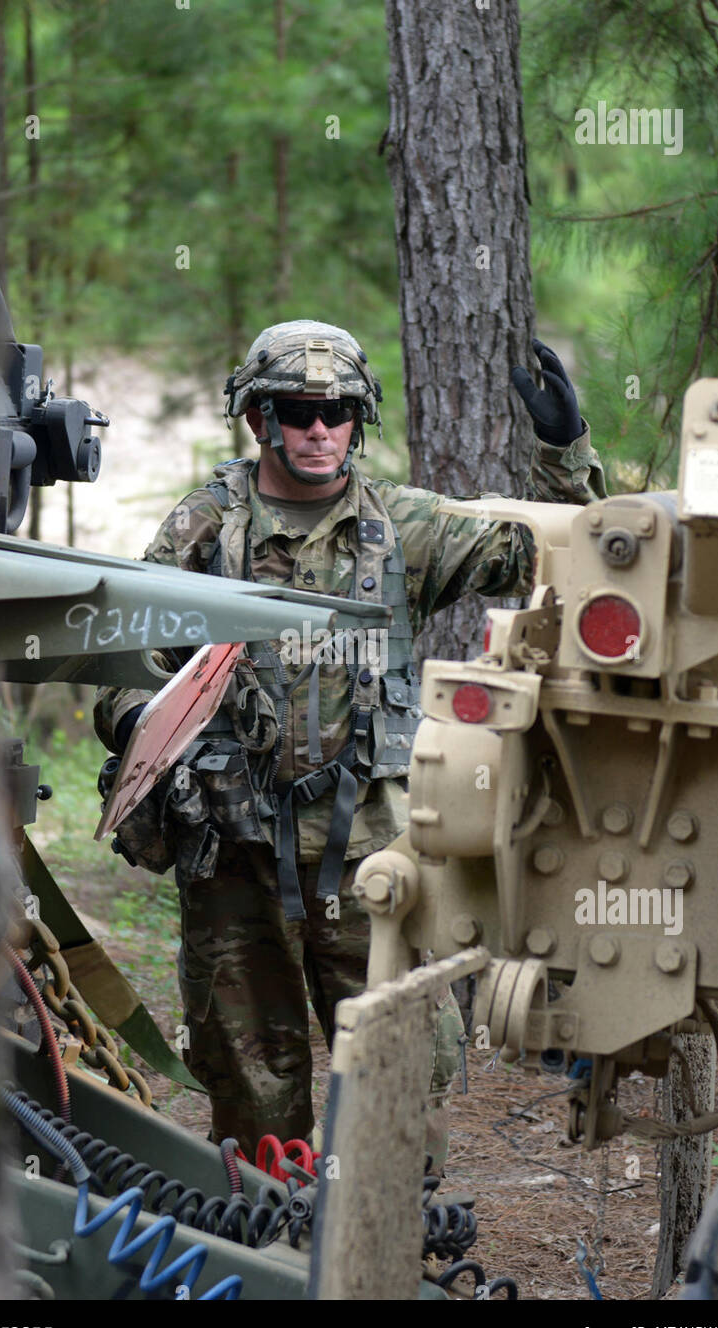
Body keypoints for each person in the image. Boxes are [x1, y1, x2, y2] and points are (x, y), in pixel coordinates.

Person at [93, 321, 607, 1158]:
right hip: (234, 856)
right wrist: (147, 732)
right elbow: (130, 663)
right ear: (260, 419)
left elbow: (566, 554)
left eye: (338, 410)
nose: (320, 429)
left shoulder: (404, 525)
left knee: (402, 1082)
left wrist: (562, 449)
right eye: (298, 410)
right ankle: (271, 1259)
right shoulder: (205, 528)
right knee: (249, 1091)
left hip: (371, 860)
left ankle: (389, 1260)